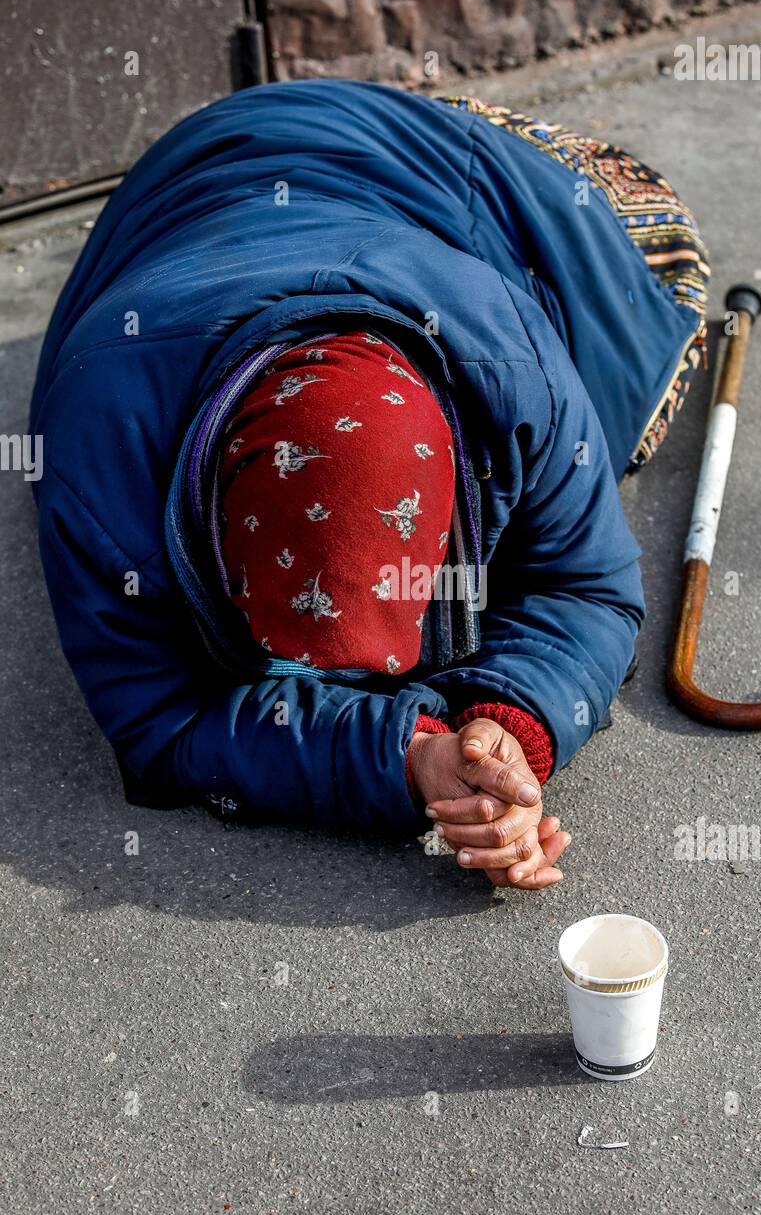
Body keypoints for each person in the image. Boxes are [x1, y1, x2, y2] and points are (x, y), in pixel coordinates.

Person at [30, 81, 709, 891]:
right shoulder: (98, 464)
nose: (389, 689)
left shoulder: (520, 376)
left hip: (419, 174)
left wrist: (513, 724)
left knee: (648, 291)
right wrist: (410, 758)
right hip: (194, 174)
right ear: (219, 539)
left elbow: (591, 587)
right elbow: (161, 721)